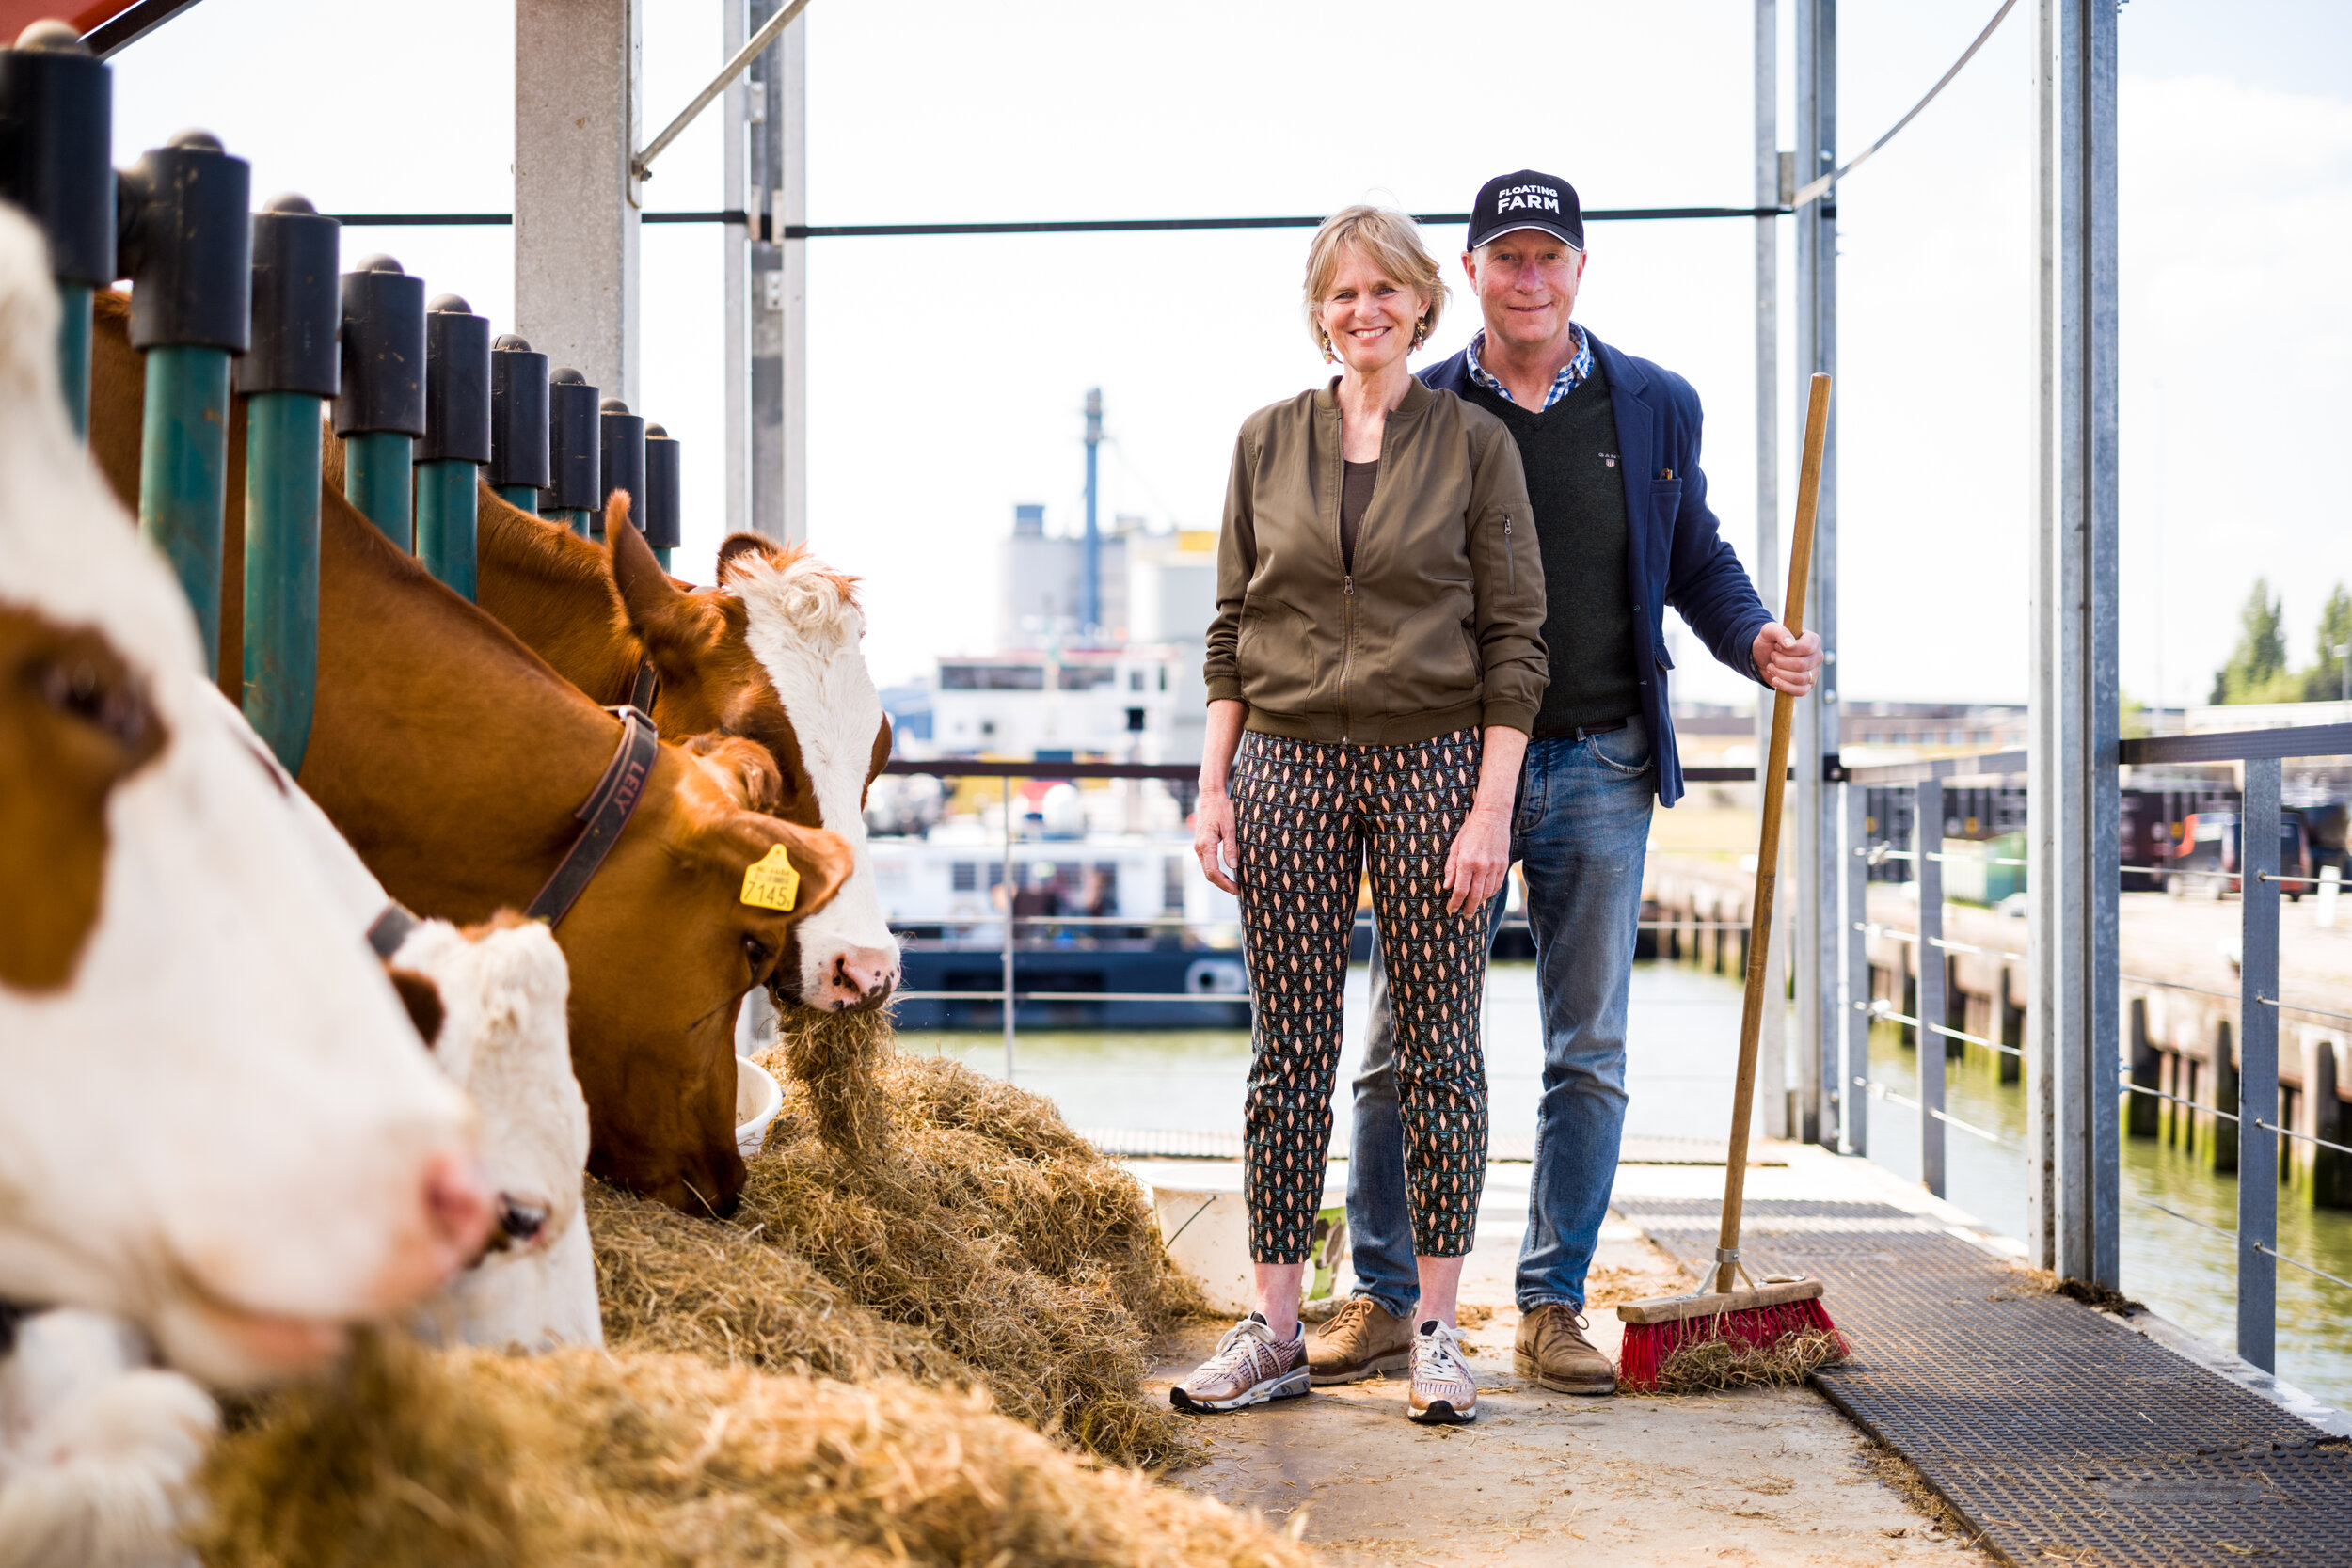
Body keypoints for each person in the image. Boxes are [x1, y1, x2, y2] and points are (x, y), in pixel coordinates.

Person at [1309, 169, 1822, 1398]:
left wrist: (1751, 638)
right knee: (1401, 1043)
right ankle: (1379, 1297)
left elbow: (1691, 552)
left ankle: (1550, 1305)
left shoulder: (1653, 405)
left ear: (1579, 269)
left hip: (1604, 759)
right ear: (1470, 276)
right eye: (1506, 258)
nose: (1528, 279)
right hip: (1445, 767)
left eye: (1549, 258)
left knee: (1586, 1049)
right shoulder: (1413, 405)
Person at [1173, 206, 1549, 1427]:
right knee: (1290, 1056)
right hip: (1283, 768)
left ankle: (1437, 1331)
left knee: (1440, 1055)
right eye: (1341, 294)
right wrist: (1214, 783)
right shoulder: (1264, 442)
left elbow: (1513, 642)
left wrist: (1490, 810)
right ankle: (1277, 1328)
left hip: (1436, 766)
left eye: (1384, 290)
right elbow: (1232, 629)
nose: (1363, 311)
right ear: (1318, 310)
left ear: (1423, 305)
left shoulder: (1475, 444)